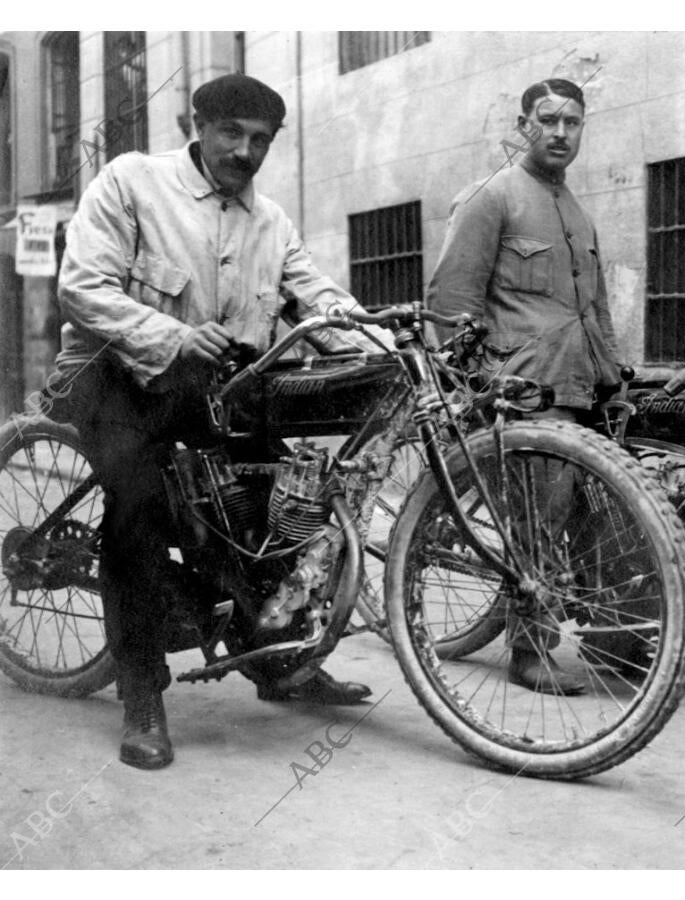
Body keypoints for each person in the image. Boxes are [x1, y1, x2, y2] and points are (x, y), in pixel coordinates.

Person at [56, 74, 385, 771]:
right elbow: (83, 288)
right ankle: (141, 691)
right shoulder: (132, 182)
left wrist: (389, 343)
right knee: (139, 507)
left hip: (213, 388)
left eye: (261, 140)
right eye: (231, 132)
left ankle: (279, 661)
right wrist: (174, 337)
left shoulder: (272, 223)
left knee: (280, 500)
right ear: (197, 125)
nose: (245, 150)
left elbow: (320, 299)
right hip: (114, 375)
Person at [427, 77, 622, 696]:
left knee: (603, 516)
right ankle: (529, 647)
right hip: (523, 393)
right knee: (541, 517)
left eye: (572, 122)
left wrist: (615, 382)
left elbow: (597, 310)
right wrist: (478, 388)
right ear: (523, 125)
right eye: (548, 120)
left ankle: (618, 636)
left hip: (581, 390)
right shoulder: (491, 197)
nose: (561, 133)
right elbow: (450, 304)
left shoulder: (578, 213)